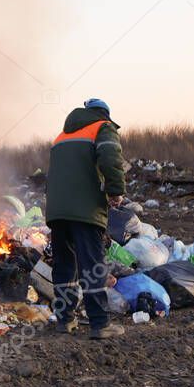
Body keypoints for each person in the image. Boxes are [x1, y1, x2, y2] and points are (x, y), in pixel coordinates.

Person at [45, 98, 127, 339]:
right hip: (85, 210)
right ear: (104, 115)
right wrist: (115, 191)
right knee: (92, 265)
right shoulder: (103, 127)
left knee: (64, 266)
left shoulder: (61, 136)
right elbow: (110, 158)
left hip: (57, 211)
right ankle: (100, 324)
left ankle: (65, 320)